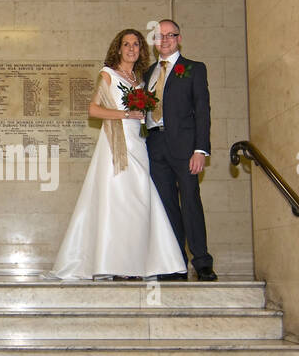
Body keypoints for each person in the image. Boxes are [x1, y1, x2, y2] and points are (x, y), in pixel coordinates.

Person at [51, 29, 187, 280]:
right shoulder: (108, 74)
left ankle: (137, 264)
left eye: (136, 44)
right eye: (126, 44)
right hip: (116, 144)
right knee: (118, 203)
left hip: (139, 145)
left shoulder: (141, 81)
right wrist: (125, 114)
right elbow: (93, 109)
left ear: (141, 50)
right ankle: (115, 265)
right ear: (118, 48)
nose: (131, 48)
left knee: (139, 204)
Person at [144, 18, 217, 281]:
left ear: (179, 39)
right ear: (154, 41)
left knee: (190, 200)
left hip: (186, 147)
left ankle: (202, 261)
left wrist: (200, 150)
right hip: (155, 145)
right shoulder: (148, 73)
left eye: (170, 35)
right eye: (159, 36)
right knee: (166, 207)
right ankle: (176, 264)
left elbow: (202, 111)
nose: (165, 40)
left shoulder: (194, 69)